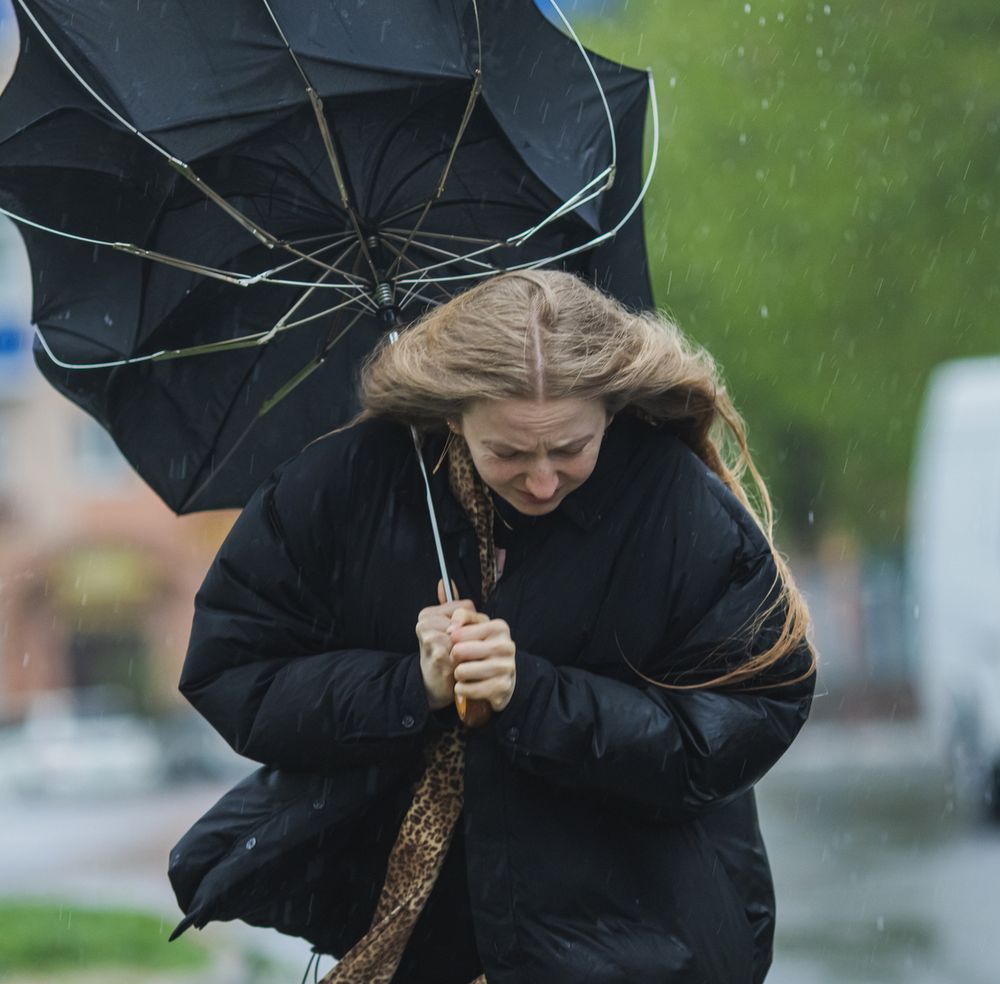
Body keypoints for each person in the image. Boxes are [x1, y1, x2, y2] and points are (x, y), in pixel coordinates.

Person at [168, 269, 817, 984]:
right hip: (424, 948)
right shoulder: (343, 490)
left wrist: (535, 698)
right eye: (508, 452)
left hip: (640, 950)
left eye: (571, 448)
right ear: (452, 413)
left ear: (610, 409)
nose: (542, 481)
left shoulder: (677, 507)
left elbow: (745, 717)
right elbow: (234, 673)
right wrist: (408, 687)